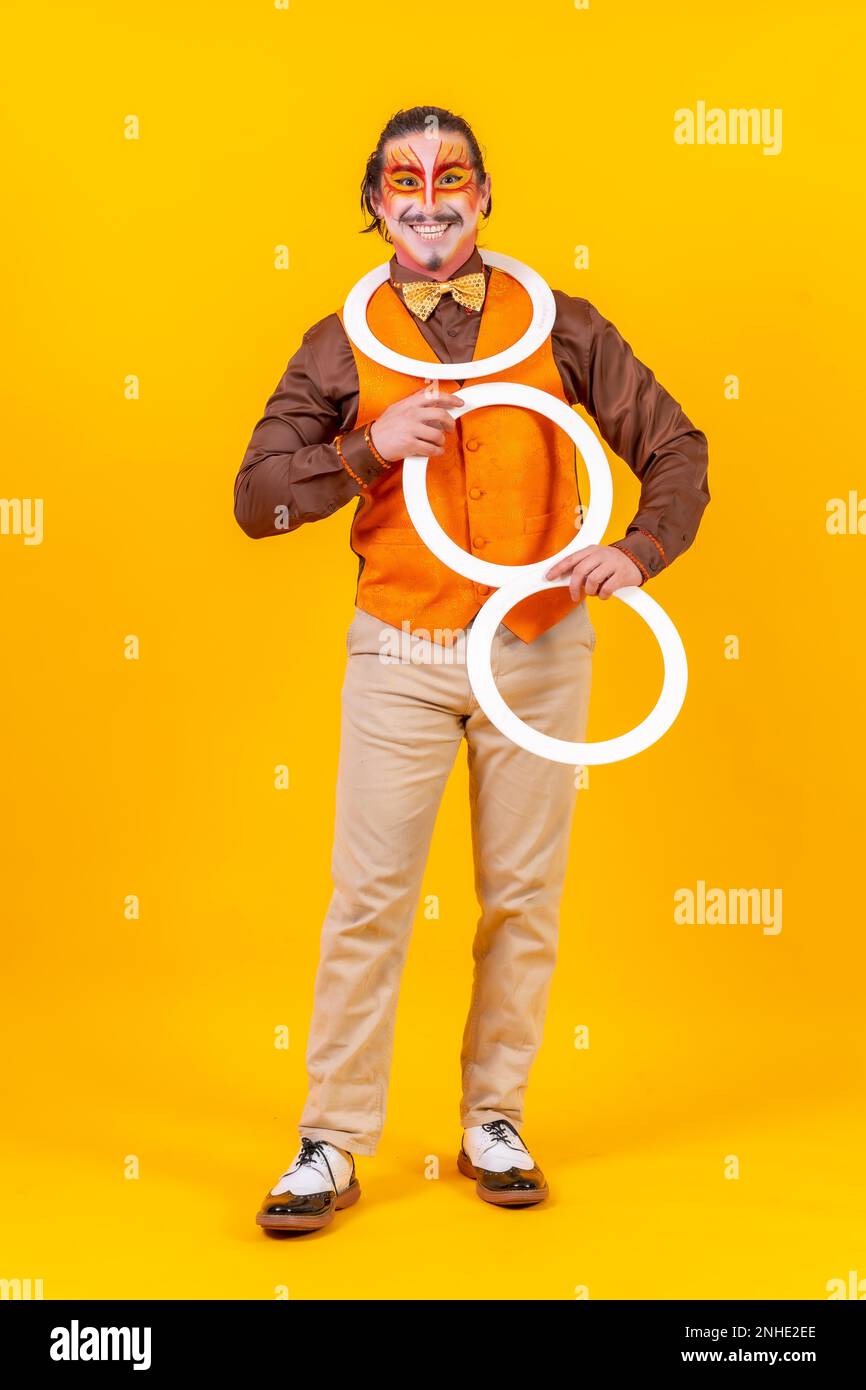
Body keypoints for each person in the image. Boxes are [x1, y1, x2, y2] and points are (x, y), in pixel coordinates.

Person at [235, 106, 710, 1233]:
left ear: (485, 195)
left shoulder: (559, 322)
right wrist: (365, 449)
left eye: (452, 175)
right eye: (404, 178)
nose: (429, 194)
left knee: (523, 899)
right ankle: (331, 1142)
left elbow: (677, 446)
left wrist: (634, 550)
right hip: (399, 643)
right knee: (368, 899)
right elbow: (254, 499)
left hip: (539, 644)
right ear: (375, 205)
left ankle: (492, 1115)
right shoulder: (338, 340)